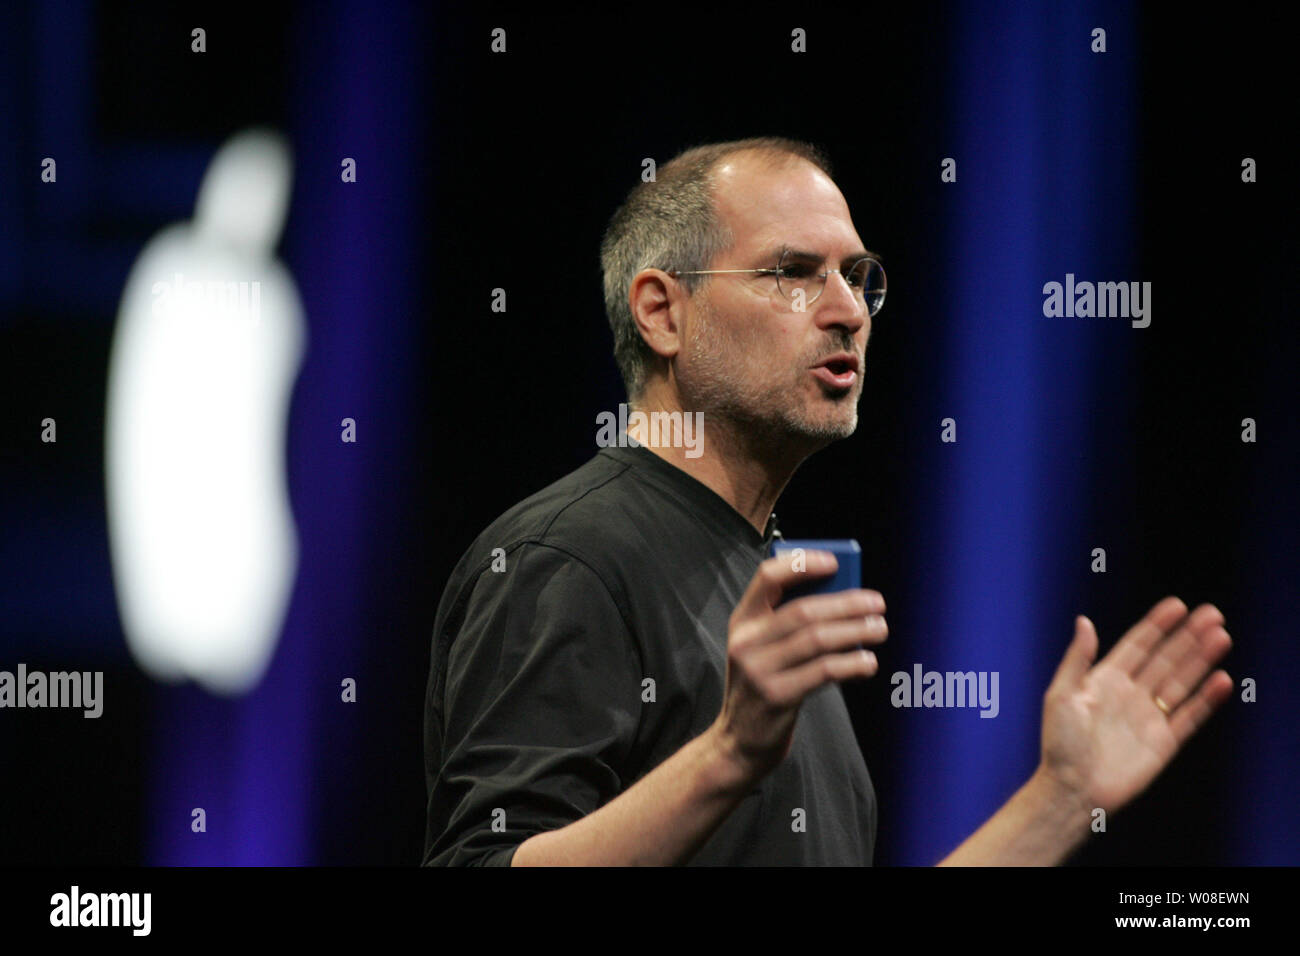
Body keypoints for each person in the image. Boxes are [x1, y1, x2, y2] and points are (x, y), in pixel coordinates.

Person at [421, 136, 1233, 866]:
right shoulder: (567, 558)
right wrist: (730, 754)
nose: (847, 311)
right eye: (792, 274)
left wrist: (1060, 796)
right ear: (663, 312)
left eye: (856, 276)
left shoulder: (769, 582)